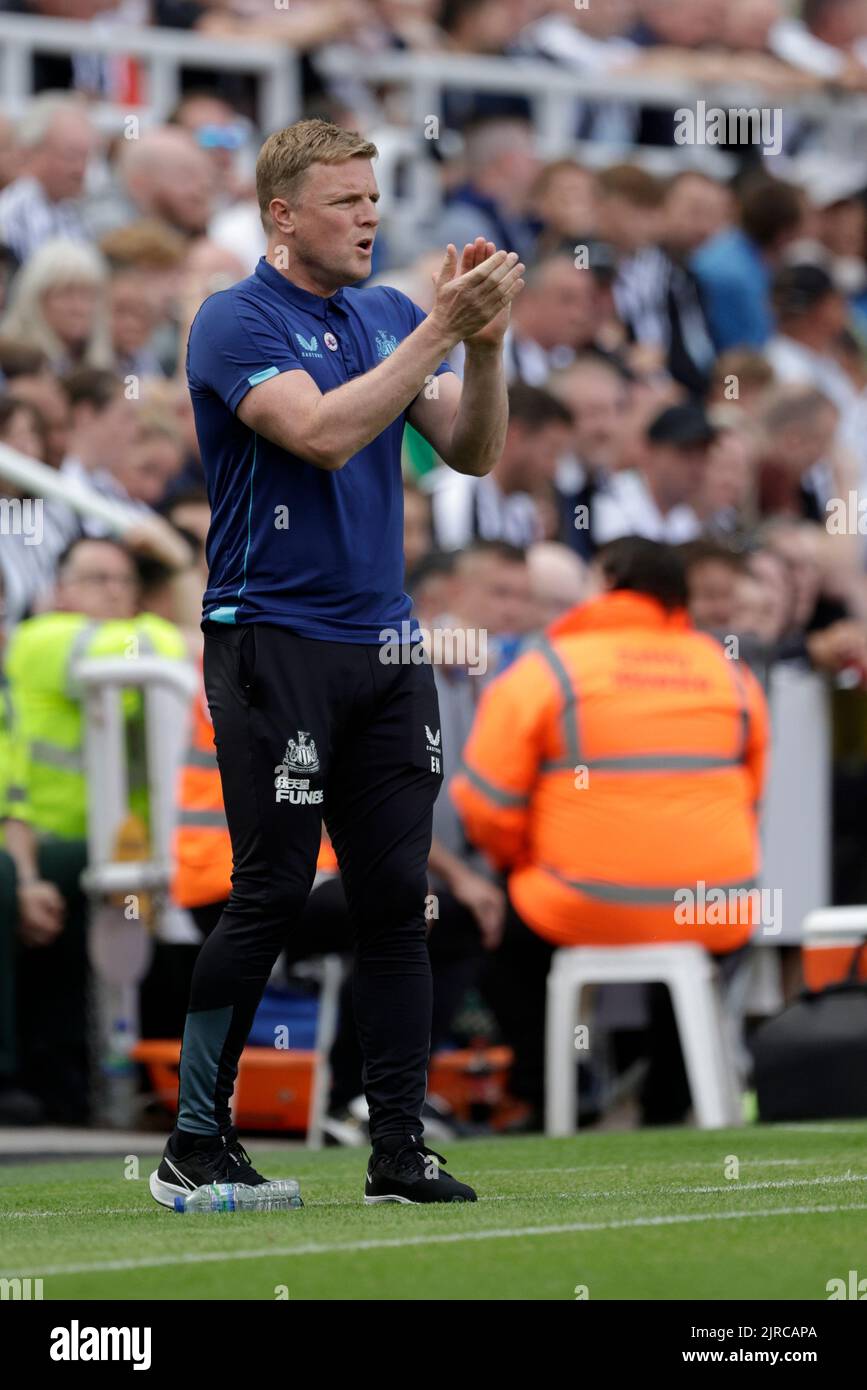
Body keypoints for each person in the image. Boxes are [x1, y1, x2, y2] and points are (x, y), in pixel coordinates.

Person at [149, 116, 525, 1209]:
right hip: (272, 635)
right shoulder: (233, 318)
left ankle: (399, 1148)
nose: (370, 216)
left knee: (397, 899)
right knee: (269, 886)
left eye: (374, 197)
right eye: (345, 201)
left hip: (384, 643)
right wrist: (434, 337)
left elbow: (472, 450)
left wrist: (486, 344)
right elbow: (316, 432)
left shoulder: (388, 313)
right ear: (282, 214)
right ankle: (194, 1140)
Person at [451, 538, 769, 1124]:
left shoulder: (548, 669)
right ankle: (668, 1101)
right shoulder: (730, 673)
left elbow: (485, 805)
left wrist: (516, 862)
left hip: (580, 900)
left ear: (609, 581)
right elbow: (750, 789)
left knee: (490, 932)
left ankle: (548, 1091)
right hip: (713, 903)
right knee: (696, 953)